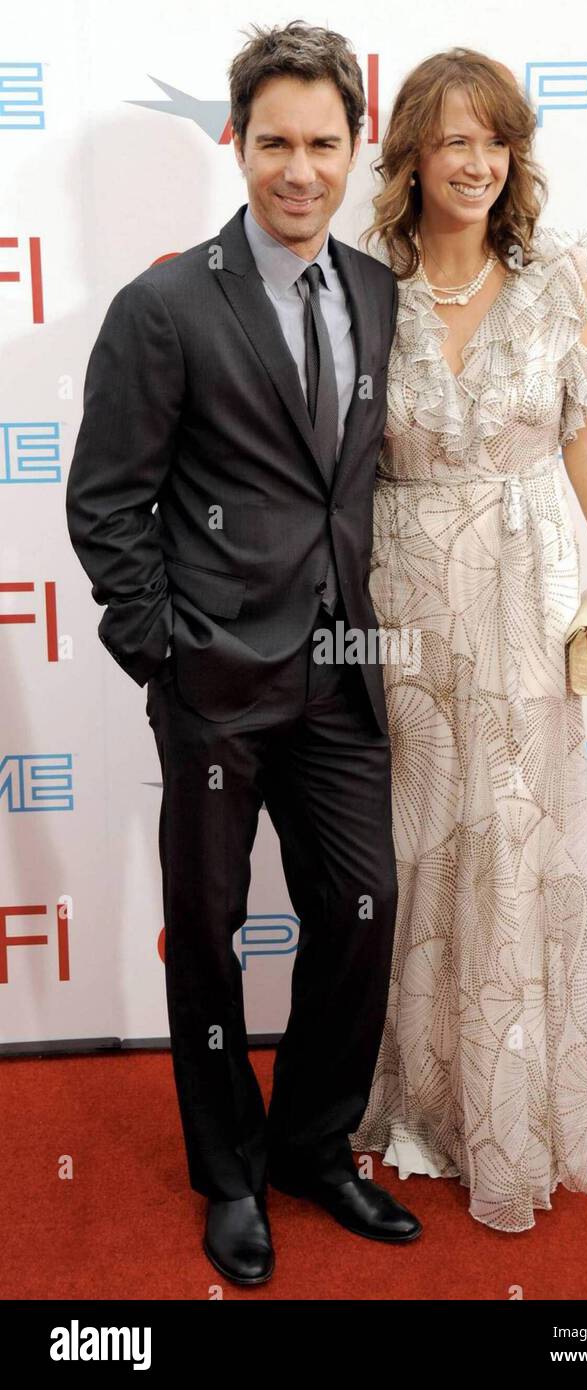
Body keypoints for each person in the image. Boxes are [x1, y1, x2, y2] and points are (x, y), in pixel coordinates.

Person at [65, 20, 422, 1288]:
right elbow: (106, 500)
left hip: (342, 677)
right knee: (207, 934)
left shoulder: (377, 291)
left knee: (363, 910)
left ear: (353, 145)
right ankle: (230, 1173)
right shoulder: (165, 306)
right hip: (213, 684)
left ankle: (314, 1145)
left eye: (324, 142)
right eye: (275, 140)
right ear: (237, 141)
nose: (300, 168)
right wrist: (163, 653)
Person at [349, 49, 587, 1232]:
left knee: (514, 853)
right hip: (405, 603)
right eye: (454, 141)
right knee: (417, 860)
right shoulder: (367, 284)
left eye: (497, 140)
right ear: (414, 154)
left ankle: (509, 1117)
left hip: (524, 599)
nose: (477, 163)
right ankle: (418, 1104)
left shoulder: (555, 281)